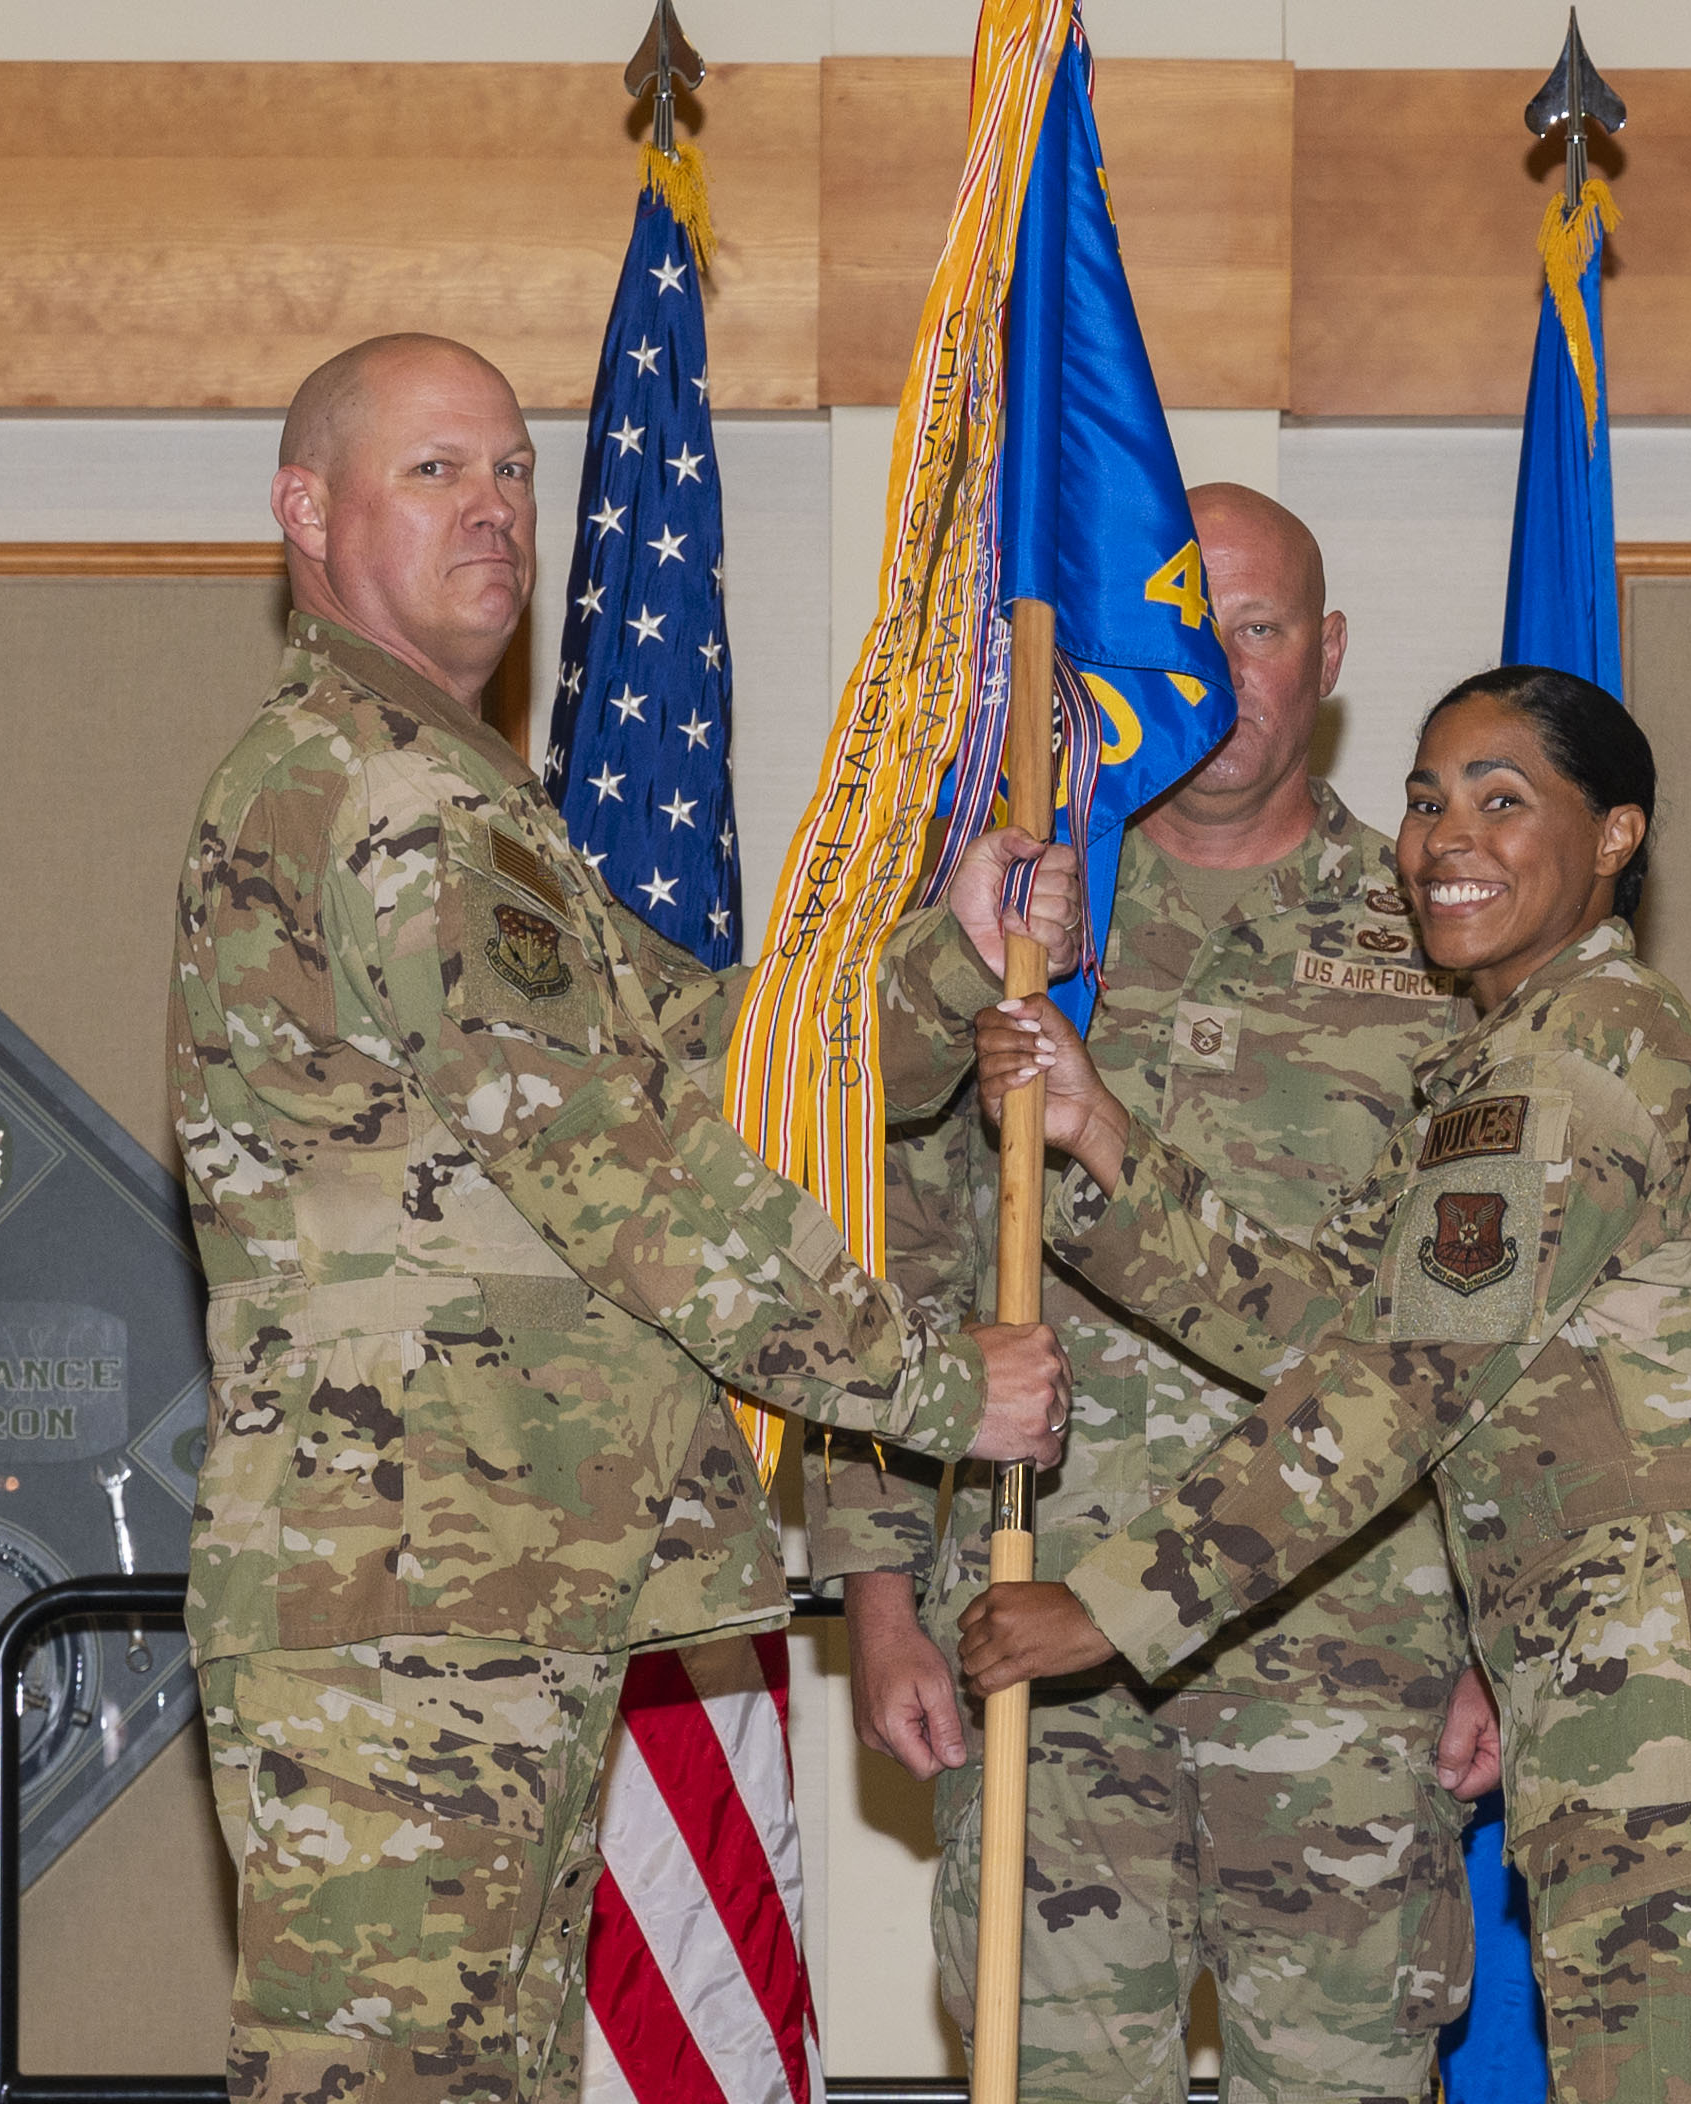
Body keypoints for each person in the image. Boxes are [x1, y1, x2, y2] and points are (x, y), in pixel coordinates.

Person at [172, 333, 1080, 2104]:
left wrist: (953, 948)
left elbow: (724, 1061)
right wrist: (928, 1383)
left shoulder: (476, 800)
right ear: (305, 511)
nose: (498, 511)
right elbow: (624, 1171)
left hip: (493, 1585)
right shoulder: (387, 793)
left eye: (513, 470)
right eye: (435, 471)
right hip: (407, 1594)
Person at [961, 666, 1691, 2104]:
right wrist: (1103, 1145)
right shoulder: (1499, 1065)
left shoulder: (1580, 1060)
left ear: (1613, 838)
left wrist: (1109, 1608)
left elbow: (1399, 1386)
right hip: (1639, 1693)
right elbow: (1319, 1324)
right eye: (1424, 801)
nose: (1443, 840)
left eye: (1502, 800)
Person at [808, 486, 1498, 2103]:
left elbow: (1493, 1348)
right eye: (1185, 636)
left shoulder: (1445, 949)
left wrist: (1503, 1646)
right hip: (1042, 1645)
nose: (1222, 677)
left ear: (1325, 656)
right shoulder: (1008, 938)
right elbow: (882, 1272)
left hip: (1353, 1658)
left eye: (1258, 633)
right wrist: (879, 1604)